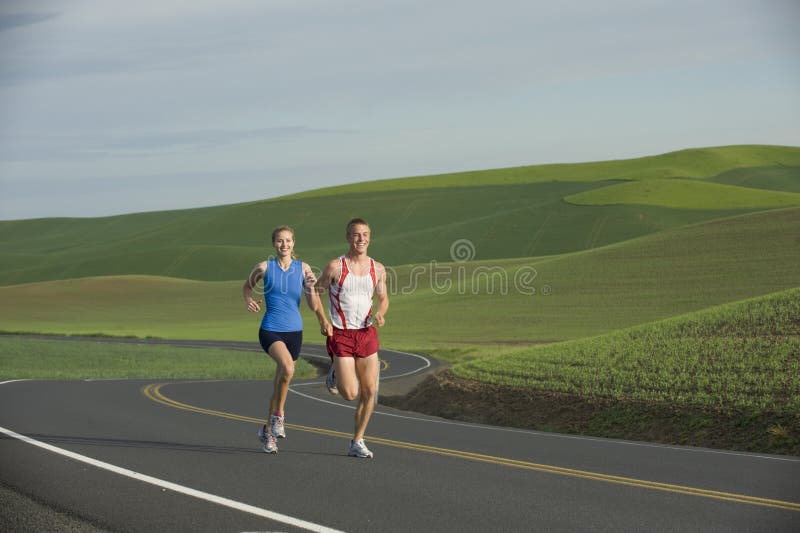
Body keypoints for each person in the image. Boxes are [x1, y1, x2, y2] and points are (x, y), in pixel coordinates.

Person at [243, 225, 330, 454]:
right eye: (280, 241)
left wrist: (311, 289)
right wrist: (248, 299)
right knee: (288, 368)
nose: (284, 245)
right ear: (274, 244)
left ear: (294, 243)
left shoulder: (303, 269)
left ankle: (268, 434)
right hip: (271, 329)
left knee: (281, 382)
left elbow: (312, 305)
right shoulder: (264, 267)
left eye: (288, 241)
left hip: (295, 333)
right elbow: (246, 287)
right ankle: (279, 417)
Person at [315, 217, 389, 458]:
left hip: (367, 333)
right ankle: (335, 372)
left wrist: (380, 312)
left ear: (370, 237)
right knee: (350, 394)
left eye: (365, 234)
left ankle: (357, 441)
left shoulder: (378, 268)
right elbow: (315, 292)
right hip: (342, 334)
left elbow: (384, 297)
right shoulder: (336, 267)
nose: (361, 239)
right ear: (348, 238)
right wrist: (322, 320)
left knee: (369, 393)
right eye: (356, 234)